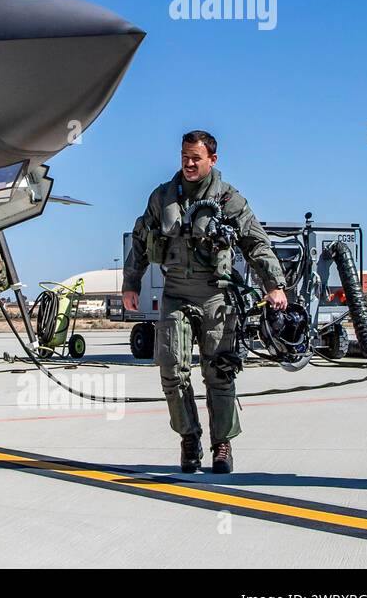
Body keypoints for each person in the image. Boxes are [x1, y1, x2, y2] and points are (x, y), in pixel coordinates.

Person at [122, 130, 287, 474]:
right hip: (175, 295)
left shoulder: (229, 200)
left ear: (212, 160)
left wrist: (275, 284)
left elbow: (257, 243)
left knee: (219, 374)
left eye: (196, 158)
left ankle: (222, 444)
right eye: (185, 156)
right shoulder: (162, 197)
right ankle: (189, 439)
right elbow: (140, 239)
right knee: (171, 371)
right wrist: (131, 282)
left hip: (216, 298)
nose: (189, 163)